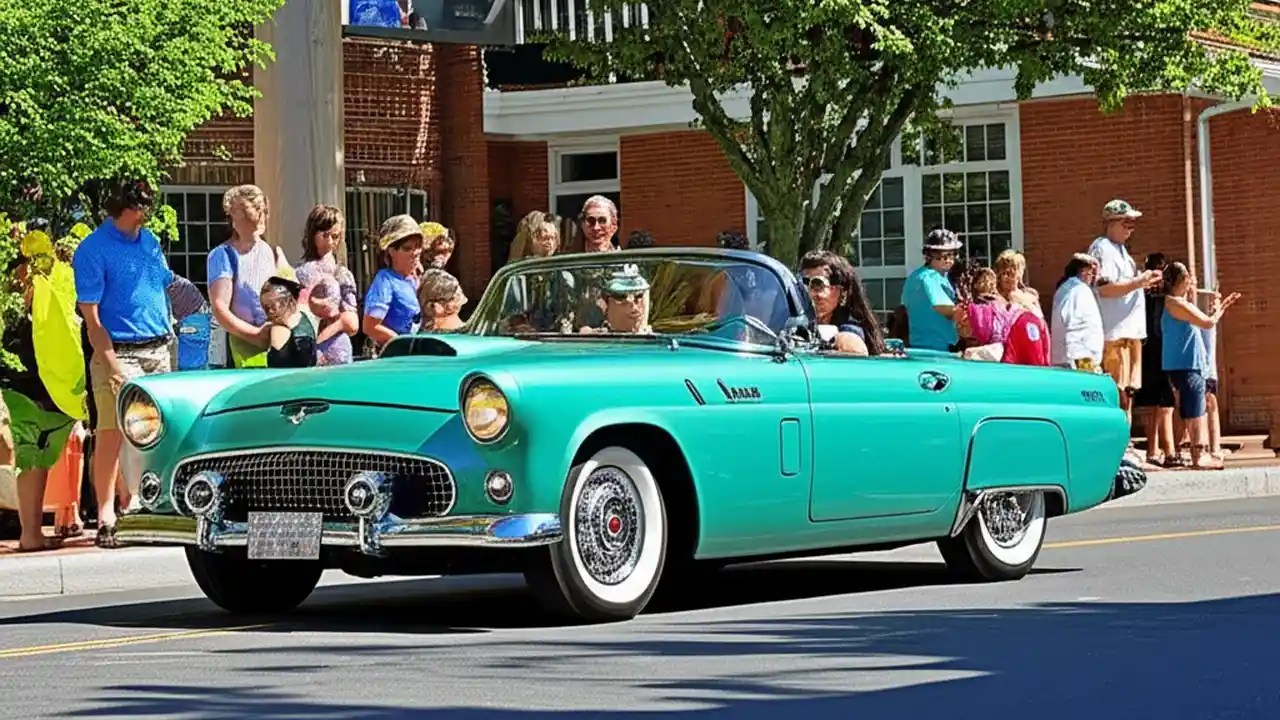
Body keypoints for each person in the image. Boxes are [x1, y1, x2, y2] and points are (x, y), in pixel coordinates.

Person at [72, 179, 174, 548]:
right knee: (113, 432)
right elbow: (92, 319)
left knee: (156, 431)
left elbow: (164, 285)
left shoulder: (148, 242)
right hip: (120, 351)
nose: (147, 213)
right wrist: (111, 364)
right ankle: (106, 514)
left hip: (158, 347)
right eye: (143, 206)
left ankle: (144, 502)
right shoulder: (93, 250)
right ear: (126, 207)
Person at [1089, 199, 1162, 444]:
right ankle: (1116, 443)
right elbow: (1105, 289)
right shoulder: (1103, 248)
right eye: (1126, 223)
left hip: (1130, 333)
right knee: (1117, 392)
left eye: (1132, 224)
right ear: (1111, 222)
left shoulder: (1122, 252)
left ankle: (1124, 441)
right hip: (1115, 334)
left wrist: (1144, 282)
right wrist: (1138, 282)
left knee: (1128, 392)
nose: (1130, 229)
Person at [1161, 261, 1240, 469]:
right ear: (1181, 279)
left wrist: (1217, 309)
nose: (1190, 281)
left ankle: (1188, 453)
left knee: (1188, 409)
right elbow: (1207, 322)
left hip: (1182, 365)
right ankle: (1199, 456)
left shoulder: (1175, 304)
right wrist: (1218, 312)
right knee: (1196, 411)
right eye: (1187, 277)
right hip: (1186, 365)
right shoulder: (1175, 304)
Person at [207, 184, 293, 368]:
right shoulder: (223, 255)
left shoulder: (272, 253)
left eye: (260, 209)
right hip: (238, 355)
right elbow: (219, 308)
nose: (256, 215)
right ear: (232, 216)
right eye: (244, 210)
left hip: (273, 352)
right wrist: (254, 334)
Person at [294, 205, 358, 365]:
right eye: (325, 235)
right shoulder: (298, 273)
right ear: (313, 234)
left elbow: (352, 323)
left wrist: (322, 336)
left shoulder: (342, 274)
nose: (330, 242)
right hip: (307, 351)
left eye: (335, 237)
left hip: (337, 350)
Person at [1132, 252, 1178, 467]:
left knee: (1165, 402)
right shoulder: (1145, 297)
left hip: (1158, 349)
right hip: (1152, 349)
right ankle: (1157, 450)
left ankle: (1167, 449)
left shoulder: (1160, 297)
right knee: (1156, 402)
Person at [798, 250, 886, 356]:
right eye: (803, 285)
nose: (810, 293)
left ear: (842, 291)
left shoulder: (850, 332)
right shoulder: (798, 325)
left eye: (817, 284)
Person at [362, 215, 424, 351]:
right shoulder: (385, 281)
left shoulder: (420, 278)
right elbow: (370, 327)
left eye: (418, 246)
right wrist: (402, 345)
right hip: (399, 359)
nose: (415, 253)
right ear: (391, 251)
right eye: (407, 248)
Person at [900, 228, 961, 351]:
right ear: (928, 256)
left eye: (952, 255)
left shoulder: (915, 276)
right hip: (937, 349)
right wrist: (976, 314)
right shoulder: (930, 277)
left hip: (916, 345)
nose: (949, 260)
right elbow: (944, 308)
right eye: (943, 256)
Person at [1050, 253, 1105, 371]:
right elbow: (1076, 326)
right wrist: (1081, 361)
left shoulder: (1065, 289)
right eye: (1091, 273)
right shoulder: (1079, 290)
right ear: (1084, 272)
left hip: (1067, 360)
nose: (1093, 278)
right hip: (1080, 360)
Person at [261, 277, 317, 369]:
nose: (270, 312)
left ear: (288, 301)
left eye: (272, 306)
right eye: (266, 308)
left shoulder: (279, 329)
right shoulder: (303, 319)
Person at [580, 266, 651, 334]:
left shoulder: (657, 340)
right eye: (621, 297)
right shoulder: (594, 339)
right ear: (604, 305)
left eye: (639, 296)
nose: (634, 307)